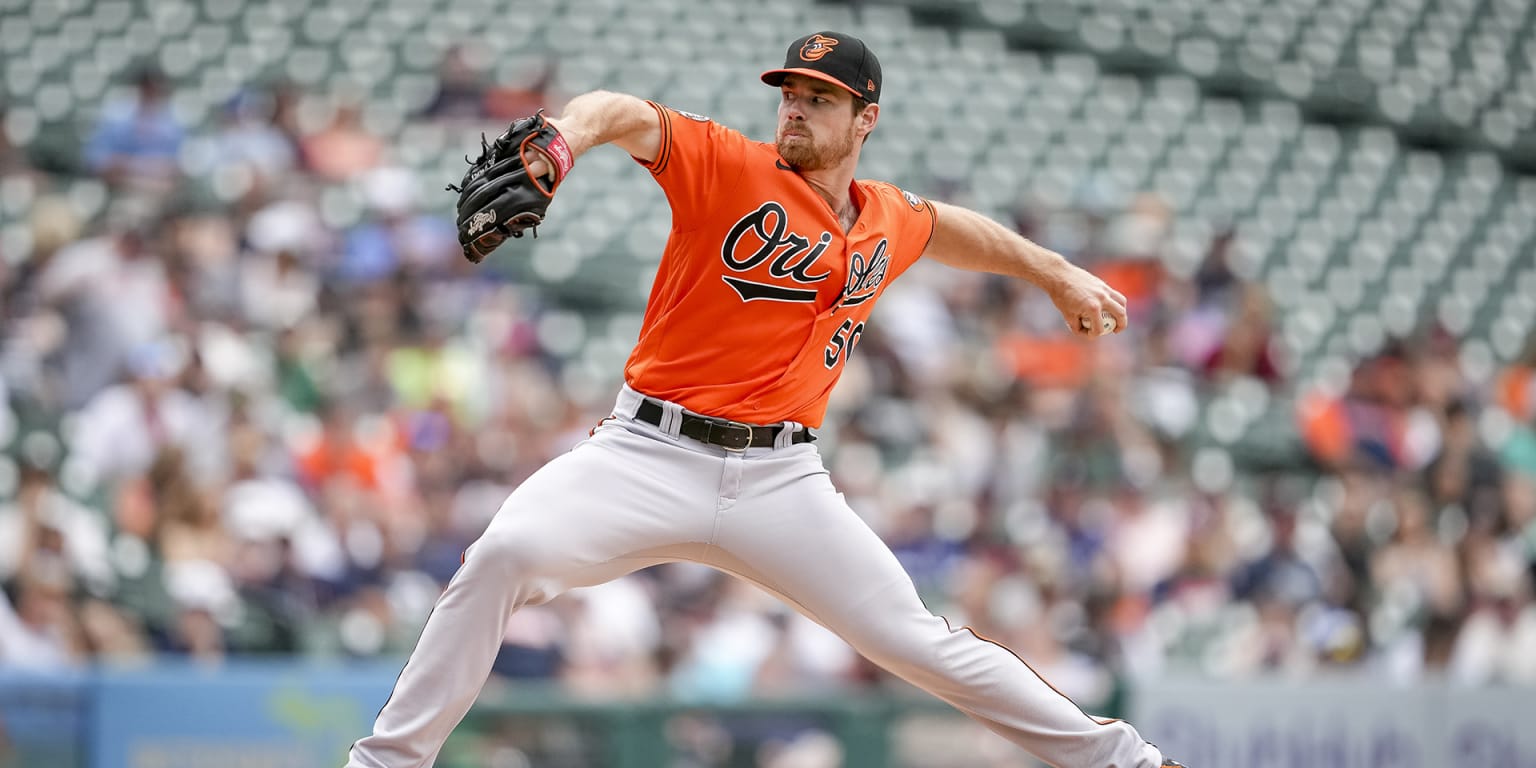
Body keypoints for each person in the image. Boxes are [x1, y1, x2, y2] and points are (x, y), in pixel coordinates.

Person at [349, 31, 1183, 768]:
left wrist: (1057, 272)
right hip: (648, 453)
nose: (796, 110)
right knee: (501, 558)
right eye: (790, 93)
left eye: (821, 99)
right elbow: (619, 111)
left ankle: (1128, 763)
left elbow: (952, 227)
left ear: (866, 121)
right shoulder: (727, 166)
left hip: (784, 481)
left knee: (919, 642)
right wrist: (563, 144)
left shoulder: (884, 217)